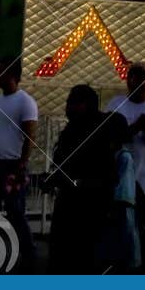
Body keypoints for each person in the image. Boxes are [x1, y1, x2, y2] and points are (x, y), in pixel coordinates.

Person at [105, 63, 145, 273]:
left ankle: (144, 270)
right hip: (120, 180)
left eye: (143, 81)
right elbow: (108, 136)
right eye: (133, 79)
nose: (137, 84)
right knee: (118, 228)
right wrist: (135, 128)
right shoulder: (116, 103)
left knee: (143, 230)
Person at [0, 60, 37, 269]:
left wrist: (22, 164)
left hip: (12, 165)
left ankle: (29, 257)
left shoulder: (25, 102)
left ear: (11, 74)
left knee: (15, 212)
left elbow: (30, 136)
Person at [46, 85, 109, 274]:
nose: (67, 107)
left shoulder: (96, 134)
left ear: (85, 105)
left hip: (86, 206)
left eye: (72, 102)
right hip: (69, 202)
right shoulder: (72, 131)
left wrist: (74, 182)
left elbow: (105, 175)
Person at [97, 112, 140, 272]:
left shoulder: (123, 157)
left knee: (120, 253)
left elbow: (122, 191)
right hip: (115, 210)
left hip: (119, 211)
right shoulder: (112, 155)